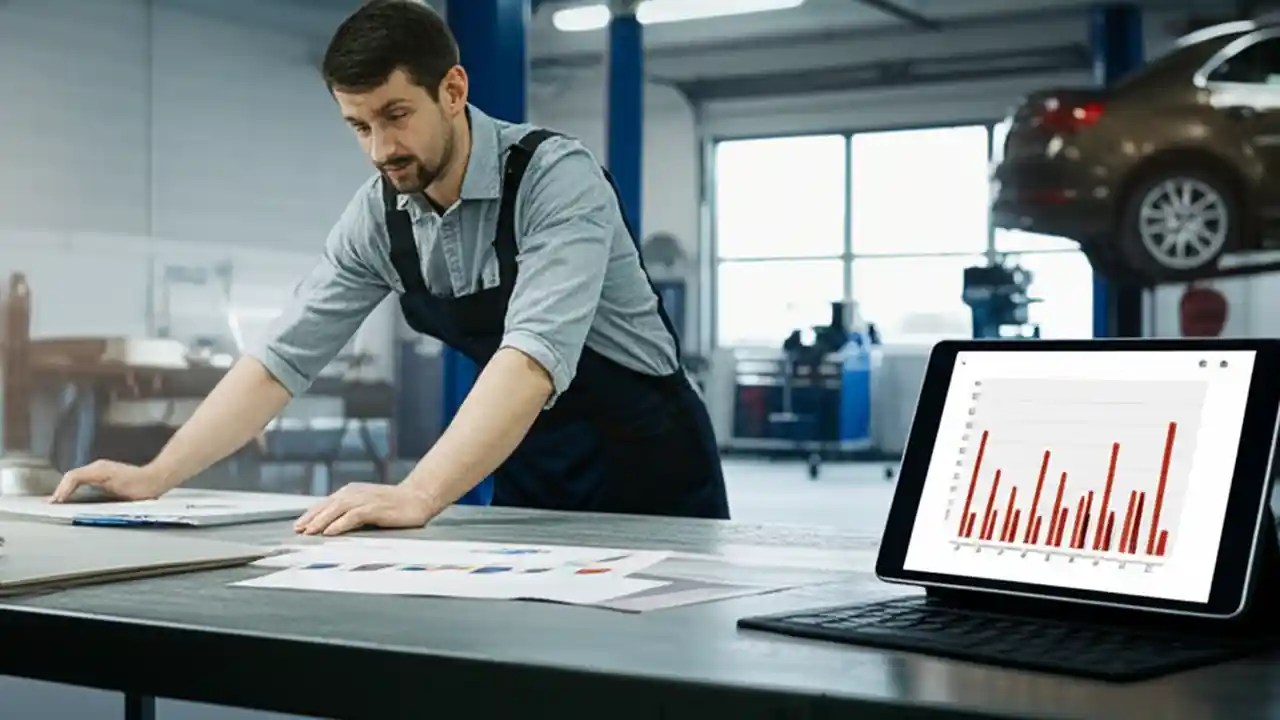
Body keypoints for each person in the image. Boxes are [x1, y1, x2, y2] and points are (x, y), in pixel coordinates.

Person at [51, 0, 730, 534]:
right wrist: (159, 473)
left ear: (454, 90)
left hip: (651, 469)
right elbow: (280, 360)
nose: (381, 148)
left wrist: (419, 491)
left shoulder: (557, 180)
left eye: (396, 115)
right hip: (531, 464)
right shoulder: (380, 215)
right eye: (358, 125)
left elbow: (530, 358)